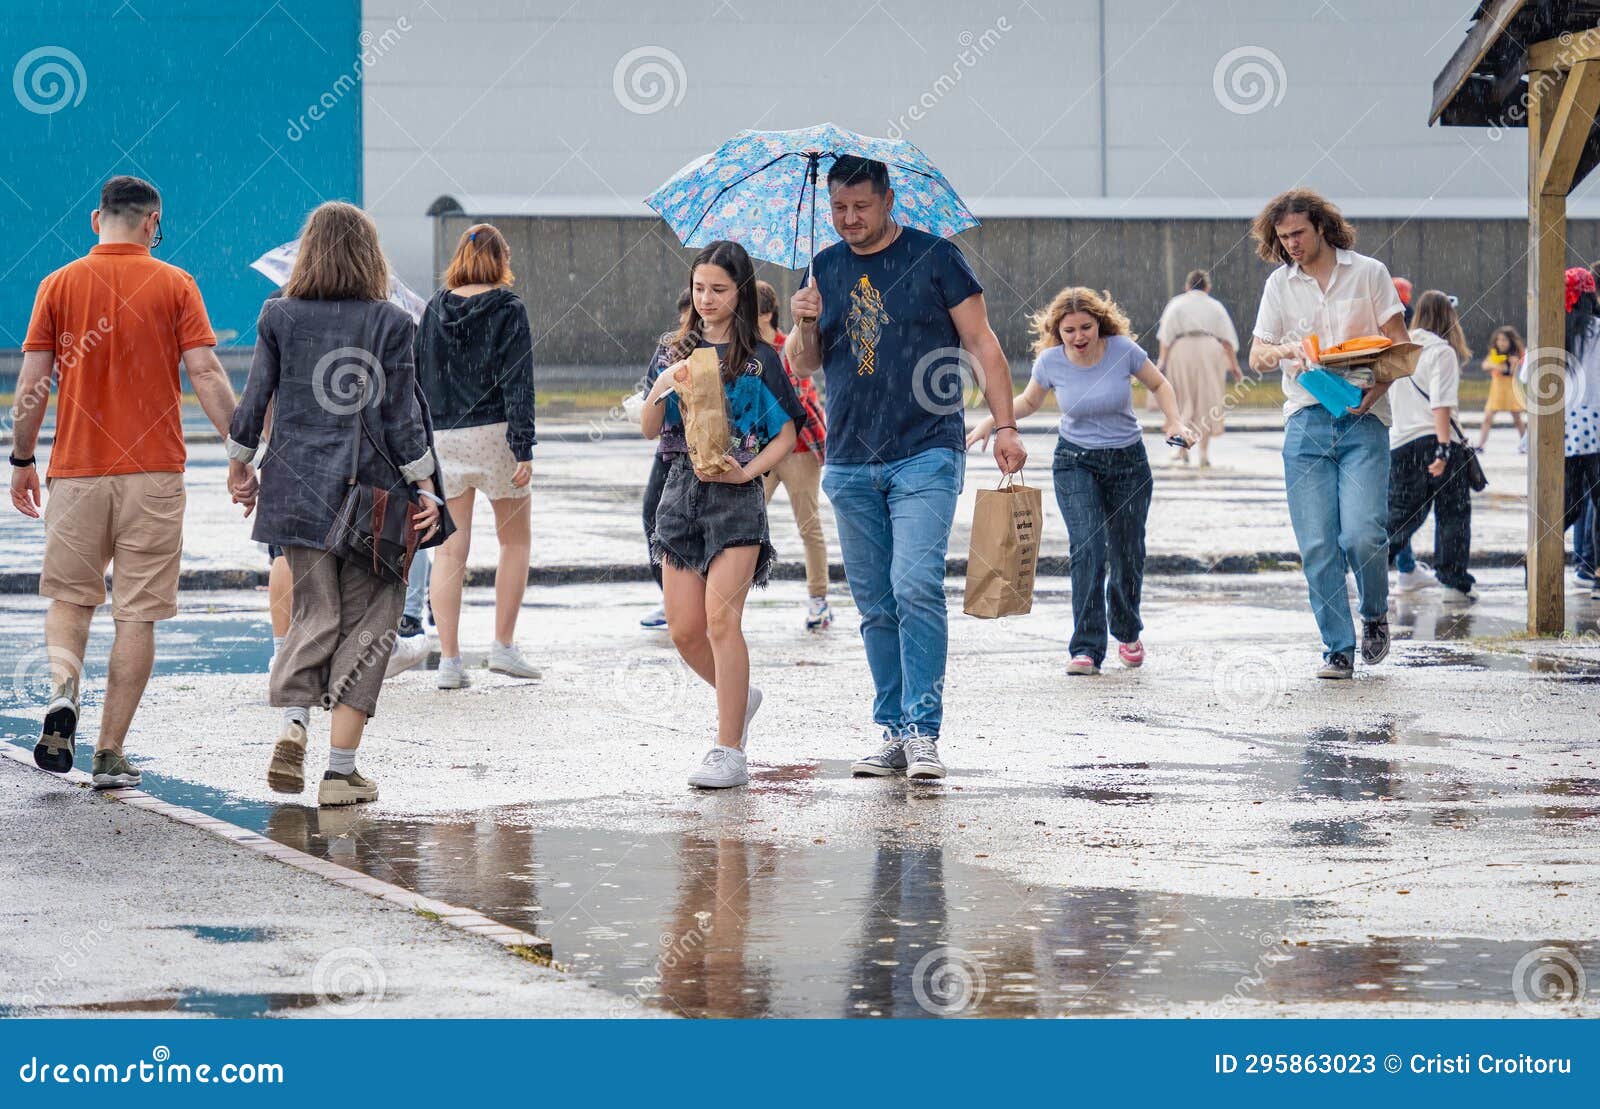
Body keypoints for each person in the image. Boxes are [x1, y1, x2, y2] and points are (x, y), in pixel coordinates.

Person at [785, 156, 1026, 782]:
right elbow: (806, 363)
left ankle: (924, 732)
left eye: (862, 206)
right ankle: (891, 730)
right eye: (839, 208)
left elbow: (983, 344)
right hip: (848, 461)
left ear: (888, 200)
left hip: (926, 449)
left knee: (915, 585)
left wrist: (1005, 426)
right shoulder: (825, 269)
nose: (849, 219)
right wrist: (804, 320)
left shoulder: (936, 256)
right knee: (874, 602)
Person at [10, 176, 240, 788]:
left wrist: (22, 460)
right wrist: (242, 451)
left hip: (77, 473)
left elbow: (32, 386)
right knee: (136, 615)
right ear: (151, 224)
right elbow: (208, 375)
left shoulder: (57, 285)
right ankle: (109, 755)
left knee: (70, 599)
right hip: (155, 475)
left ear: (96, 220)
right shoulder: (175, 284)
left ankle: (63, 691)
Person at [225, 201, 442, 806]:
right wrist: (425, 488)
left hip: (297, 492)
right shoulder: (393, 323)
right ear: (371, 256)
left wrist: (240, 464)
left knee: (311, 615)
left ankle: (293, 724)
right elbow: (404, 419)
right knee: (371, 628)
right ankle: (340, 773)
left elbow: (255, 400)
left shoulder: (278, 315)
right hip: (374, 497)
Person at [639, 240, 807, 789]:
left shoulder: (759, 357)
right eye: (698, 288)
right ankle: (741, 697)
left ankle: (728, 749)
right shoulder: (672, 350)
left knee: (720, 623)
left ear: (740, 293)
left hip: (735, 499)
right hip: (679, 492)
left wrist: (747, 471)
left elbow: (788, 431)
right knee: (685, 631)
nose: (706, 299)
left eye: (718, 289)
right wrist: (664, 385)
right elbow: (647, 429)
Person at [970, 288, 1194, 674]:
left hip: (1129, 463)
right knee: (1088, 546)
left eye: (1085, 327)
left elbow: (1160, 384)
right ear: (1057, 330)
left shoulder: (1123, 350)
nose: (1078, 336)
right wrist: (993, 420)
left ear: (1099, 324)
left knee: (1127, 551)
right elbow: (1029, 401)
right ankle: (1087, 647)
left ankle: (1126, 630)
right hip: (1075, 462)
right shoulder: (1051, 361)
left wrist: (1173, 420)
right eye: (1069, 329)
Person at [1248, 189, 1409, 679]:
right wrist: (1284, 352)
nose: (1291, 244)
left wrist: (1375, 390)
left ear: (1320, 226)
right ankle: (1337, 648)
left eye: (1298, 233)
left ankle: (1374, 612)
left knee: (1362, 534)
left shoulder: (1369, 273)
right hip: (1306, 422)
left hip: (1364, 419)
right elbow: (1256, 355)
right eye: (1282, 237)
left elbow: (1401, 348)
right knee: (1318, 544)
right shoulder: (1280, 284)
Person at [416, 223, 540, 689]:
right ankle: (503, 647)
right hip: (496, 434)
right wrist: (524, 444)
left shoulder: (433, 309)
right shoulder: (509, 309)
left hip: (444, 437)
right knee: (515, 542)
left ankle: (449, 661)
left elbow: (419, 374)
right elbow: (517, 379)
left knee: (449, 550)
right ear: (501, 259)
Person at [1386, 290, 1476, 603]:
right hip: (1435, 440)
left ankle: (1366, 566)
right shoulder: (1442, 352)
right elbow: (1441, 404)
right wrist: (1443, 448)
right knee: (1453, 513)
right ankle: (1453, 582)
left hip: (1399, 443)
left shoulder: (1402, 349)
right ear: (1448, 318)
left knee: (1400, 515)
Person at [755, 278, 832, 631]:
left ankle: (819, 600)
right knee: (745, 522)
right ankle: (724, 599)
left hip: (799, 451)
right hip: (763, 453)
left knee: (808, 526)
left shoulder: (790, 348)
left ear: (767, 313)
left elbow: (799, 400)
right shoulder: (748, 351)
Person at [1522, 267, 1600, 600]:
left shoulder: (1547, 333)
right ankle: (1596, 574)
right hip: (1596, 429)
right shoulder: (1597, 331)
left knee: (1561, 507)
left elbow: (1528, 377)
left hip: (1558, 430)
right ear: (1590, 296)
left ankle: (1536, 564)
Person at [640, 288, 694, 630]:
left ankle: (694, 598)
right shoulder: (669, 347)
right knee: (652, 516)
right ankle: (670, 595)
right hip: (670, 449)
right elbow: (649, 391)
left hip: (710, 452)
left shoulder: (728, 345)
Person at [1153, 269, 1242, 468]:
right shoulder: (1215, 306)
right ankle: (1203, 453)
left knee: (1183, 401)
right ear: (1207, 287)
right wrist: (1234, 366)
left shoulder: (1176, 304)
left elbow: (1166, 336)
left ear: (1187, 286)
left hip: (1181, 350)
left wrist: (1162, 361)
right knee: (1207, 401)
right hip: (1210, 350)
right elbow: (1227, 338)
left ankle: (1182, 449)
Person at [1475, 325, 1527, 451]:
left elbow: (1519, 371)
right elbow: (1485, 365)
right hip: (1497, 389)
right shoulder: (1495, 354)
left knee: (1517, 419)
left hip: (1511, 389)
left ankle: (1525, 444)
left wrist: (1513, 365)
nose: (1501, 343)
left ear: (1510, 341)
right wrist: (1496, 366)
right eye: (1499, 340)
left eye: (1504, 340)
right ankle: (1480, 445)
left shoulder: (1516, 355)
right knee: (1488, 417)